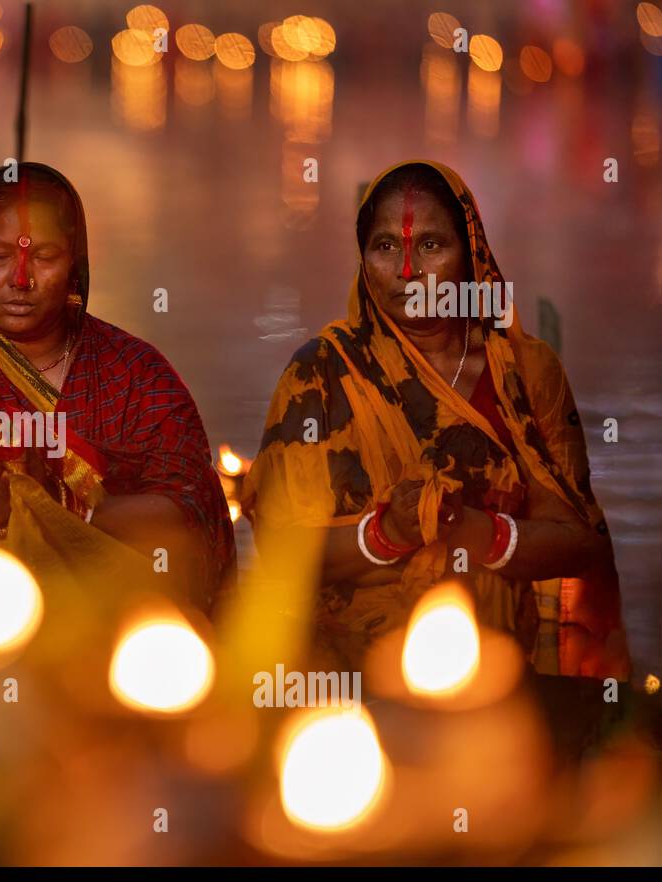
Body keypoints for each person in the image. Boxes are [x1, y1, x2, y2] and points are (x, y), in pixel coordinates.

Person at [244, 159, 630, 679]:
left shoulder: (524, 370)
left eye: (430, 245)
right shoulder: (321, 372)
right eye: (385, 246)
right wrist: (387, 532)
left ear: (470, 255)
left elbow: (581, 542)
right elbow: (282, 552)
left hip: (493, 671)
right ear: (363, 259)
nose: (407, 271)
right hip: (348, 680)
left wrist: (479, 532)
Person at [0, 163, 233, 612]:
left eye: (44, 256)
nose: (20, 278)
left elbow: (192, 517)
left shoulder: (137, 376)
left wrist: (66, 505)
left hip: (115, 639)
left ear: (75, 265)